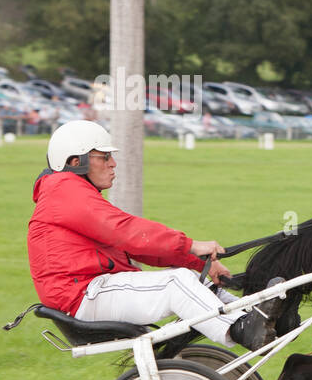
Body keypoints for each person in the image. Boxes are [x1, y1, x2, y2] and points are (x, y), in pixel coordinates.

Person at [27, 120, 282, 349]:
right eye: (104, 157)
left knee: (196, 279)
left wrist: (203, 263)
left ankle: (258, 317)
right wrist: (192, 245)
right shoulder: (64, 191)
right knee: (176, 283)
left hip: (89, 291)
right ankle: (242, 328)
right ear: (75, 162)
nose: (113, 163)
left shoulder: (70, 193)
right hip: (82, 295)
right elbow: (128, 232)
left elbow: (139, 248)